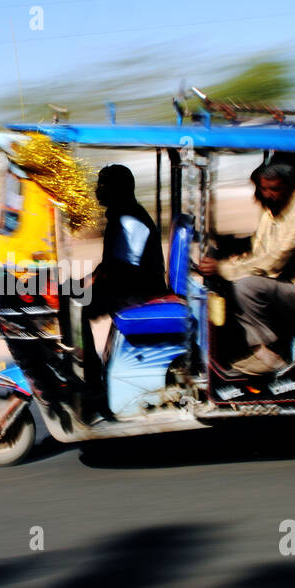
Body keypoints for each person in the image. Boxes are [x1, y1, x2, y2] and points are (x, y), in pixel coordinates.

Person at [198, 159, 295, 376]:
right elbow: (258, 249)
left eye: (274, 189)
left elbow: (273, 260)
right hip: (281, 282)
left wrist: (224, 268)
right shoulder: (271, 209)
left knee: (247, 286)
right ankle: (237, 350)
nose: (267, 194)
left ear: (289, 187)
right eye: (263, 189)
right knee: (227, 286)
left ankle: (268, 354)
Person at [76, 164, 167, 419]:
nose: (98, 191)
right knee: (75, 298)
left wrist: (86, 286)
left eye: (104, 185)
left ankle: (91, 380)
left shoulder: (129, 220)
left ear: (121, 189)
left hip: (140, 292)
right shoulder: (120, 215)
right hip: (127, 284)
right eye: (99, 184)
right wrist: (83, 282)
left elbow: (124, 268)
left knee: (79, 311)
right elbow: (110, 267)